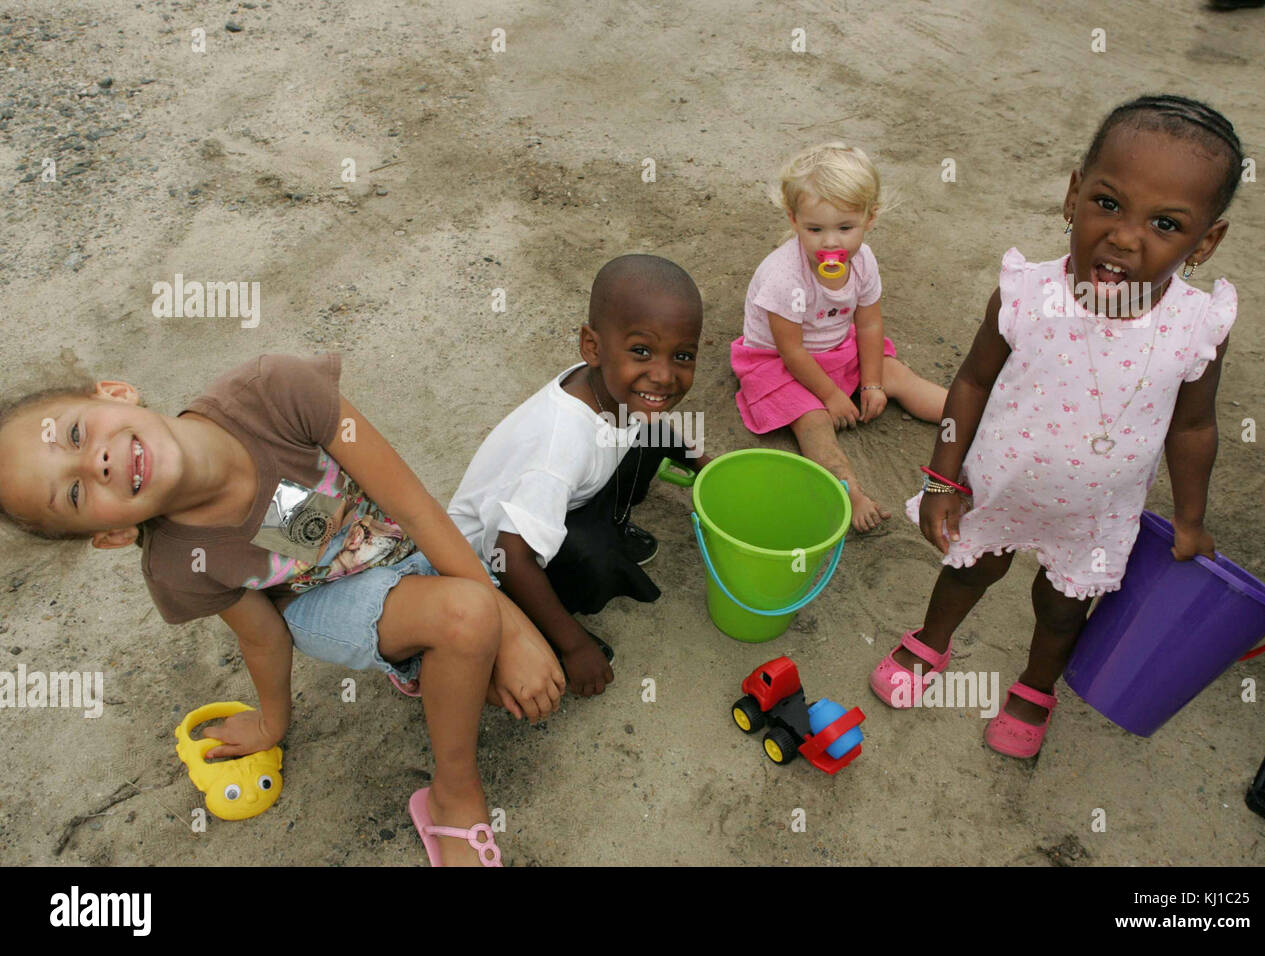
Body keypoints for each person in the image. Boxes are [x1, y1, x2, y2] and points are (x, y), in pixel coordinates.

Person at [0, 353, 565, 865]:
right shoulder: (179, 563)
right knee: (469, 620)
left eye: (75, 434)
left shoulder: (274, 392)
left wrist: (513, 629)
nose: (93, 464)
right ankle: (452, 792)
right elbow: (263, 635)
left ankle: (422, 658)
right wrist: (273, 720)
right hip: (320, 602)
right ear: (114, 534)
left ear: (116, 392)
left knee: (509, 674)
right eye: (74, 494)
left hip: (402, 543)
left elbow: (414, 510)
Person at [872, 95, 1242, 758]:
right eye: (1107, 202)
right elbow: (972, 383)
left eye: (1164, 222)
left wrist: (1191, 518)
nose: (1125, 237)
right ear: (1073, 195)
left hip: (1094, 515)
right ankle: (932, 640)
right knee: (968, 571)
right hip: (997, 485)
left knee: (1064, 606)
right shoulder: (1025, 296)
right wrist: (940, 478)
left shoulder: (1195, 330)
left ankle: (1035, 686)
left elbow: (1192, 429)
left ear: (1205, 242)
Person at [449, 255, 710, 697]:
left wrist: (707, 465)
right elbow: (508, 553)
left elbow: (654, 429)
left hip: (554, 506)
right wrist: (574, 646)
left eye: (682, 355)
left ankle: (609, 529)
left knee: (650, 436)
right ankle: (541, 630)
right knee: (594, 558)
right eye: (641, 351)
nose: (665, 375)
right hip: (489, 562)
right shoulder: (559, 448)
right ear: (592, 346)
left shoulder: (609, 386)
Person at [731, 142, 947, 532]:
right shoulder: (785, 276)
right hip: (779, 363)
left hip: (835, 347)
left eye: (845, 228)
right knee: (812, 419)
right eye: (815, 229)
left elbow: (868, 324)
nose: (831, 243)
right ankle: (849, 491)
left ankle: (973, 415)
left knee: (896, 374)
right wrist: (831, 396)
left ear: (870, 218)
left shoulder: (863, 261)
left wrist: (873, 381)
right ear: (793, 220)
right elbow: (791, 350)